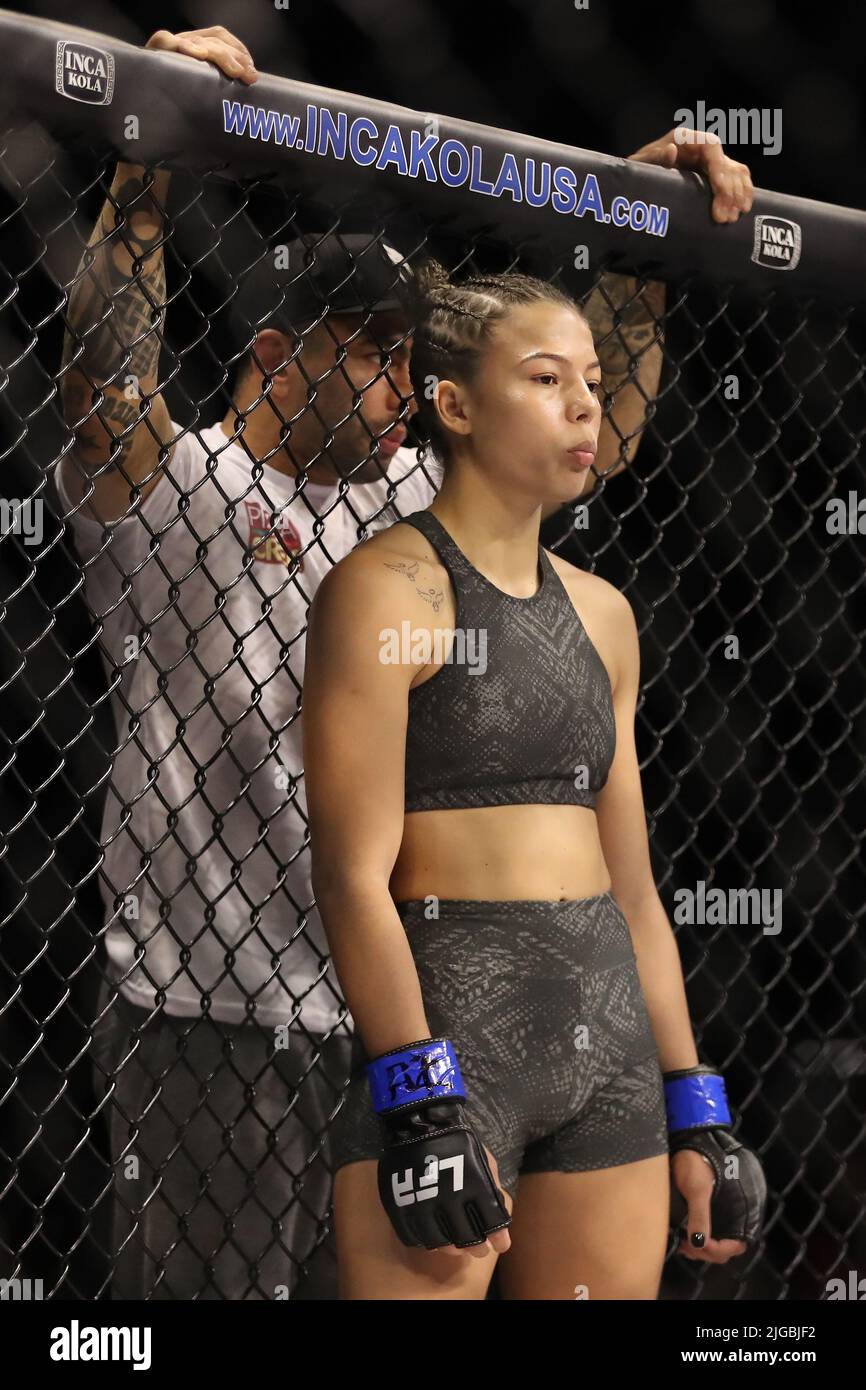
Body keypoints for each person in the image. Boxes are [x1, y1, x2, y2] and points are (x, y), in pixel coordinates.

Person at [55, 24, 752, 1298]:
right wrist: (146, 160)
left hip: (419, 1004)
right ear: (274, 354)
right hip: (212, 1007)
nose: (402, 377)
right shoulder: (175, 484)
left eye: (412, 352)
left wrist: (641, 248)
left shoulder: (414, 505)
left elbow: (587, 425)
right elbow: (105, 379)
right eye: (369, 346)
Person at [303, 256, 765, 1300]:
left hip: (606, 1034)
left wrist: (697, 1102)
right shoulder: (384, 590)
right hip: (451, 1031)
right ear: (455, 403)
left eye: (592, 384)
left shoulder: (604, 616)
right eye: (547, 378)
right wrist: (416, 1097)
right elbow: (351, 878)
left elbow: (635, 887)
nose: (582, 407)